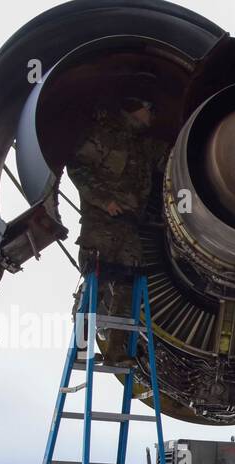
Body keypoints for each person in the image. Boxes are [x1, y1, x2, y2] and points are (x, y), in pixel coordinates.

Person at [64, 97, 168, 364]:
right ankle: (80, 348)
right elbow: (77, 168)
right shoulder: (104, 136)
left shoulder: (143, 146)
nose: (152, 115)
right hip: (101, 223)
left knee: (127, 286)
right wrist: (103, 200)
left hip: (130, 225)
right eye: (150, 109)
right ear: (136, 108)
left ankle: (116, 350)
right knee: (95, 285)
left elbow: (168, 157)